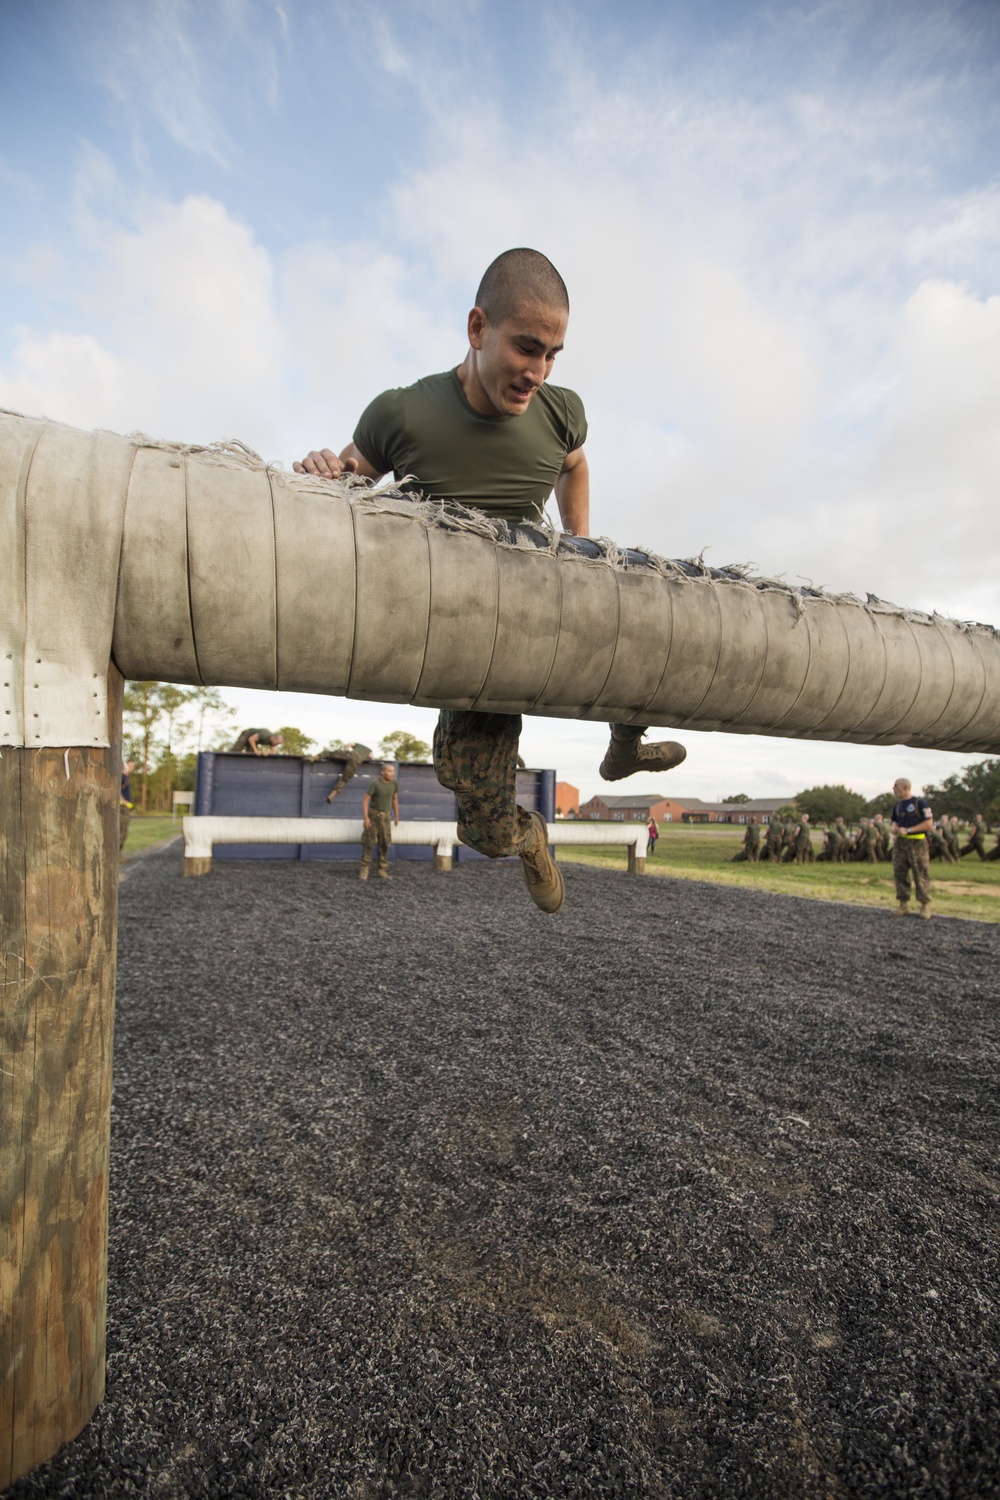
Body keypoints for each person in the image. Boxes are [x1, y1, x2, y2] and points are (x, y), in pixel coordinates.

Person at [293, 249, 686, 913]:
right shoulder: (403, 413)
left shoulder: (560, 410)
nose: (537, 372)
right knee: (485, 829)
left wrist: (578, 541)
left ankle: (623, 747)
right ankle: (529, 837)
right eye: (527, 348)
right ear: (478, 328)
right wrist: (323, 468)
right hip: (467, 625)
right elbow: (349, 480)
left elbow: (574, 463)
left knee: (645, 601)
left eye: (554, 354)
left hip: (540, 590)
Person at [890, 777, 934, 918]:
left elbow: (928, 823)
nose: (894, 789)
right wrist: (895, 828)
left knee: (920, 874)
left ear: (906, 787)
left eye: (896, 787)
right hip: (901, 844)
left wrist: (909, 830)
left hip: (917, 843)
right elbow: (894, 821)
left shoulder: (920, 803)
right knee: (900, 873)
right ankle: (903, 904)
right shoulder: (898, 806)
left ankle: (925, 906)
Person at [360, 762, 400, 881]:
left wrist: (396, 815)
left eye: (393, 771)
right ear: (382, 772)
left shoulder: (394, 784)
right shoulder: (375, 784)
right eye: (389, 771)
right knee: (369, 842)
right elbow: (365, 800)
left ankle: (382, 869)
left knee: (385, 843)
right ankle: (364, 868)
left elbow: (394, 799)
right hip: (373, 816)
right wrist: (366, 817)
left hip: (385, 817)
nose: (391, 773)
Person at [119, 759, 134, 852]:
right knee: (121, 831)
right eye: (130, 766)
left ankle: (119, 854)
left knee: (123, 832)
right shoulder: (122, 777)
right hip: (122, 808)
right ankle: (117, 855)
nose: (132, 768)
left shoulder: (126, 778)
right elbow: (116, 789)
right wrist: (123, 801)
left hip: (126, 808)